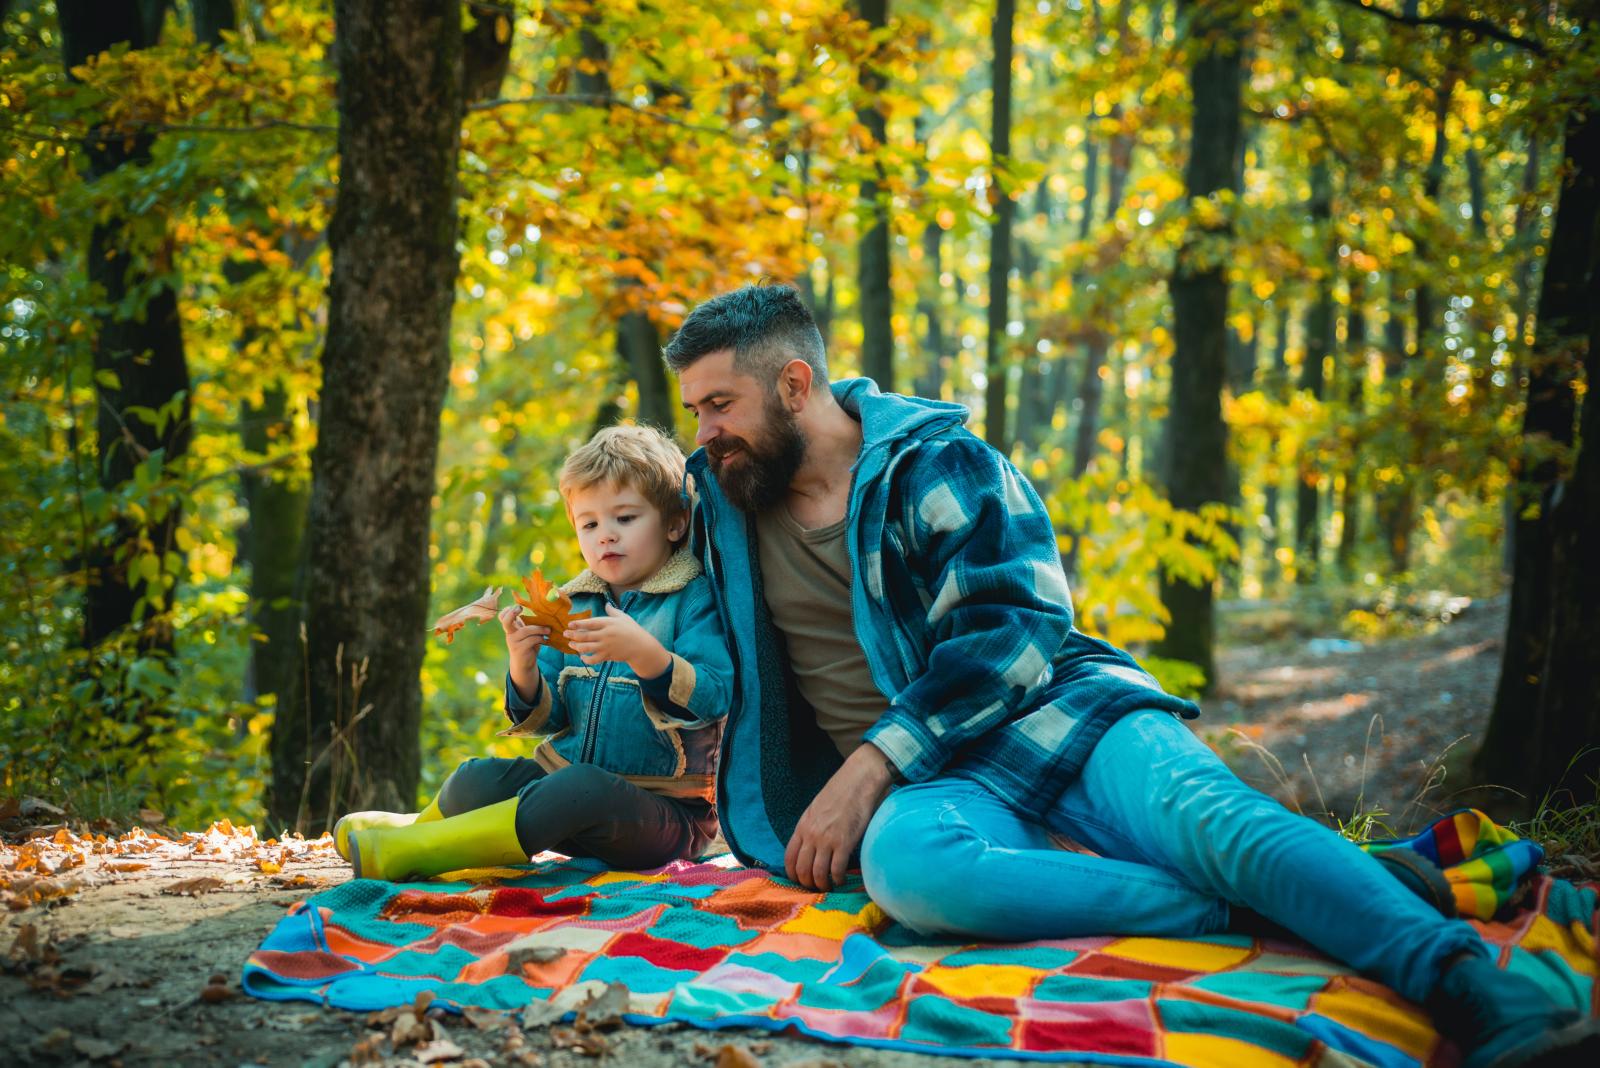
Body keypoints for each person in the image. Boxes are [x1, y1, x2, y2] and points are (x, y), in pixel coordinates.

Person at [663, 283, 1599, 1068]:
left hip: (1058, 713)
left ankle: (1466, 982)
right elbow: (638, 563)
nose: (703, 433)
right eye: (695, 411)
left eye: (719, 405)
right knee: (910, 875)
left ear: (796, 385)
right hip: (940, 783)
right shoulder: (726, 501)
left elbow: (1014, 629)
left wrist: (870, 764)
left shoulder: (936, 464)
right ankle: (1280, 897)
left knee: (1214, 822)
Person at [338, 425, 734, 881]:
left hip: (662, 816)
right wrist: (523, 667)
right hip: (565, 798)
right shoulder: (573, 602)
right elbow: (550, 716)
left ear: (675, 523)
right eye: (589, 524)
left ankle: (418, 850)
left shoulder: (693, 600)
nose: (605, 536)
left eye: (625, 518)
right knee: (475, 777)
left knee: (581, 788)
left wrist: (647, 656)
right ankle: (419, 827)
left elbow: (713, 696)